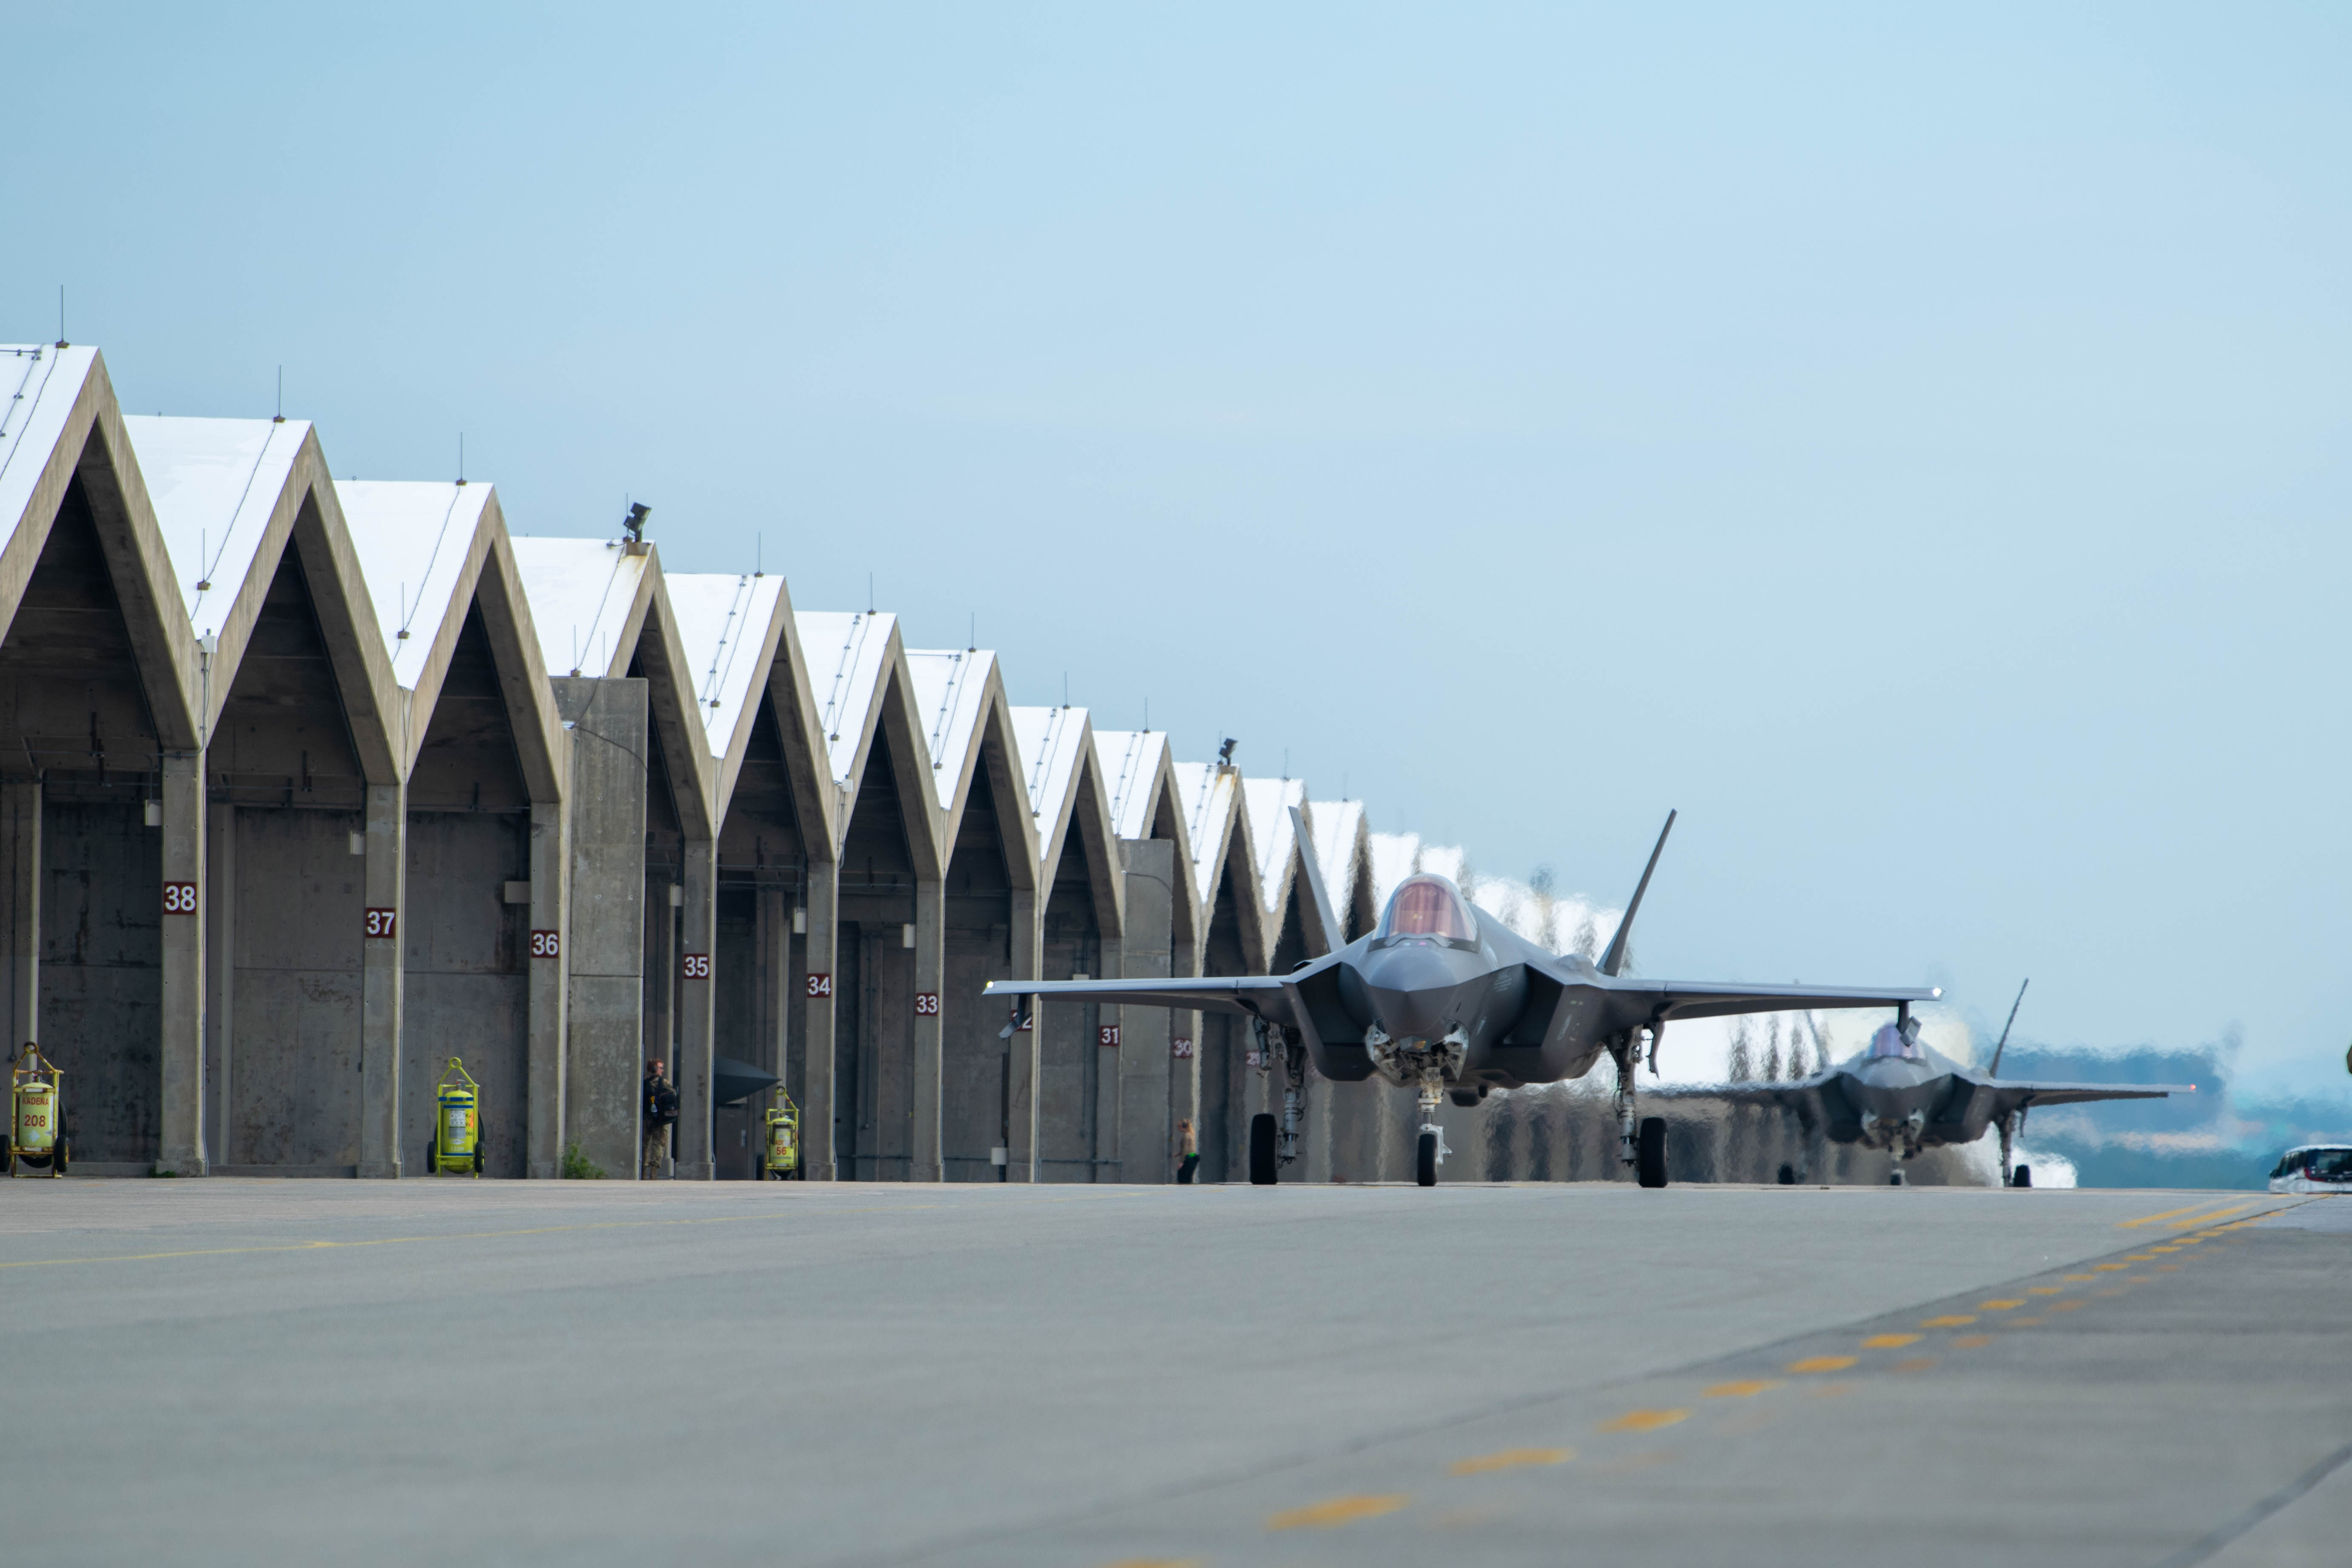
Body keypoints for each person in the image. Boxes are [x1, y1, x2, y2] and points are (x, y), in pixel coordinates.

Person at [642, 1059, 678, 1179]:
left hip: (647, 1118)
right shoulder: (664, 1083)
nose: (662, 1070)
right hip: (661, 1120)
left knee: (645, 1144)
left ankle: (643, 1171)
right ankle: (654, 1171)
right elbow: (673, 1095)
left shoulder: (643, 1082)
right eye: (661, 1068)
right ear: (654, 1069)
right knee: (659, 1144)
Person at [1176, 1118, 1199, 1184]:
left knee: (1182, 1178)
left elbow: (1185, 1149)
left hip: (1188, 1159)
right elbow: (1190, 1149)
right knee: (1189, 1178)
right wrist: (1178, 1154)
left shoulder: (1186, 1136)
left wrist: (1182, 1162)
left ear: (1183, 1127)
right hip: (1193, 1157)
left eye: (1179, 1127)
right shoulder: (1192, 1134)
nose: (1178, 1128)